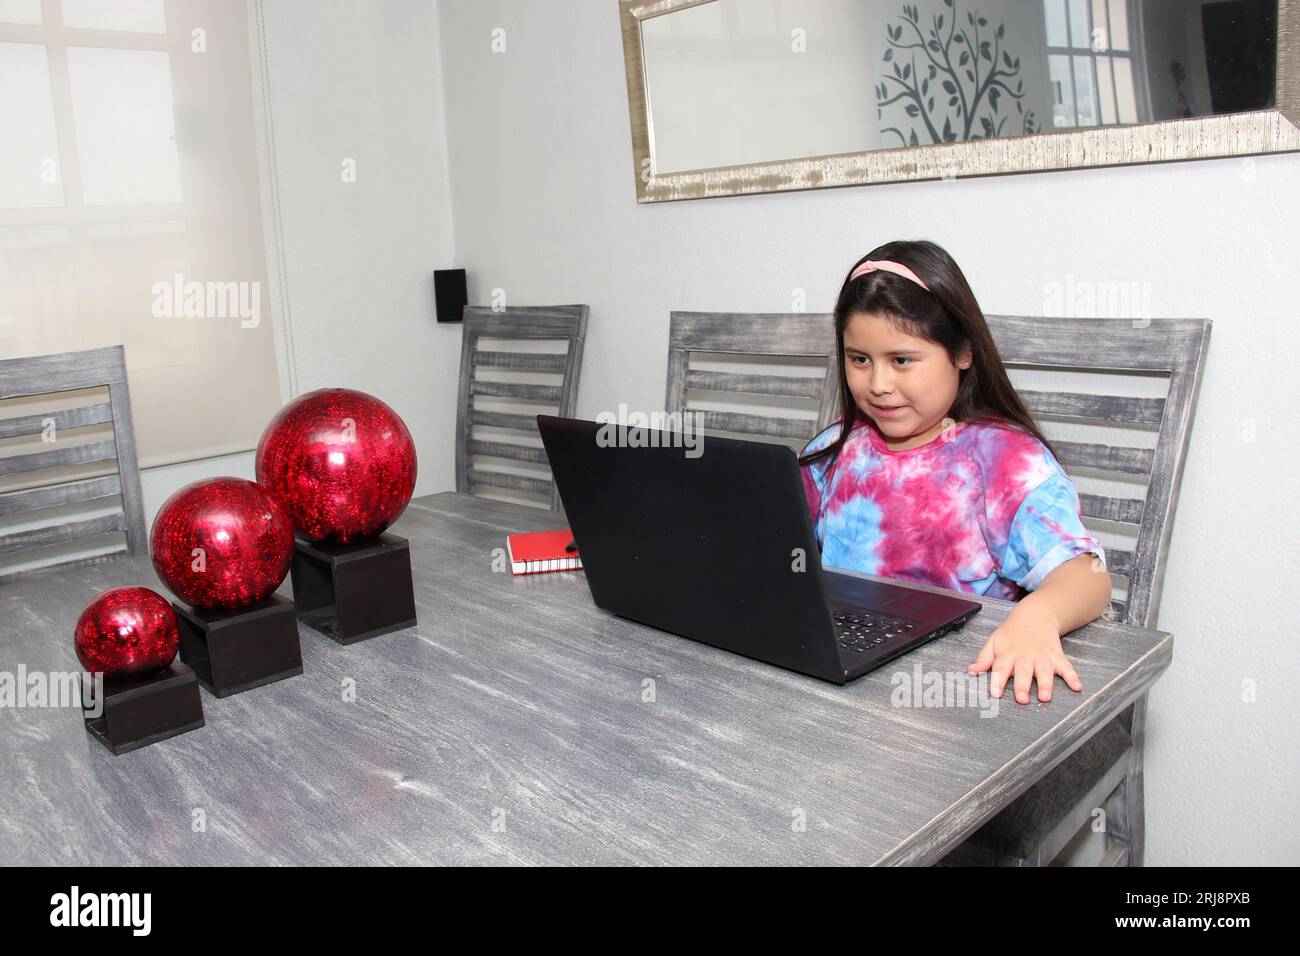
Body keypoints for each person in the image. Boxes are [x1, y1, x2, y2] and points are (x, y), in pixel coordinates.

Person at [800, 239, 1111, 705]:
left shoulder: (1002, 461)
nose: (879, 384)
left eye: (902, 360)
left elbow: (1087, 576)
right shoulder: (831, 450)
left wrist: (1037, 618)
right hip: (840, 682)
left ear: (963, 353)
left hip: (956, 691)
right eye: (859, 359)